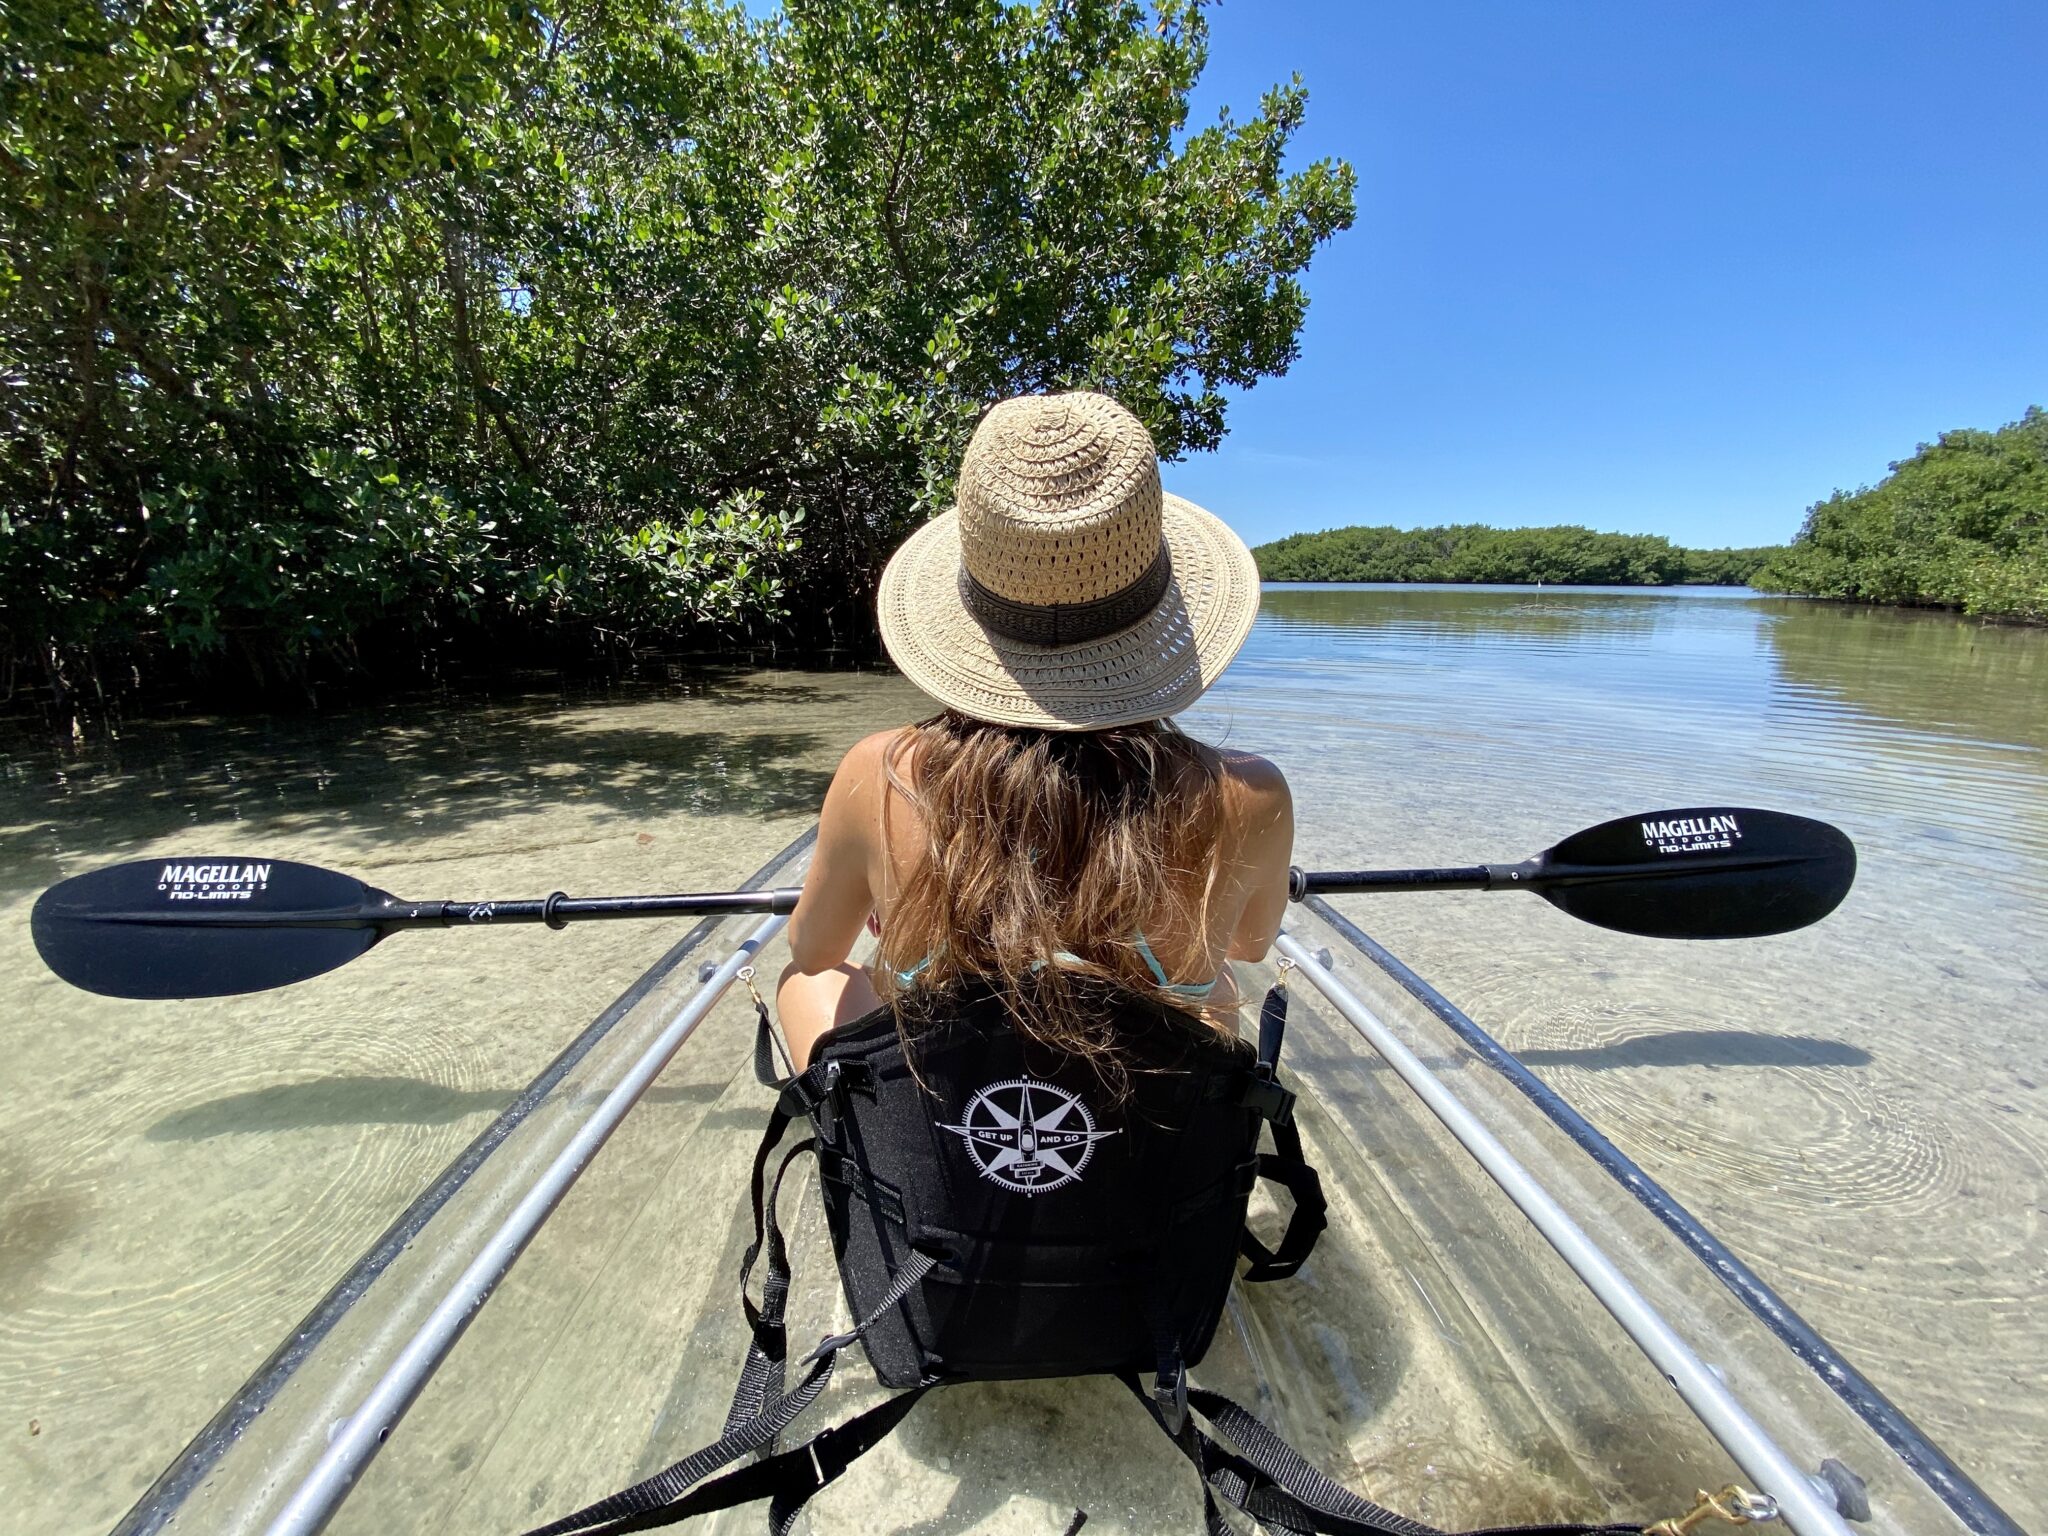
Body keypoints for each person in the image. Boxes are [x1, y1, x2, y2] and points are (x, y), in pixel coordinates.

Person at [777, 389, 1294, 1070]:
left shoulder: (882, 772)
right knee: (1217, 987)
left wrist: (892, 900)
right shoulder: (1251, 794)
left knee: (804, 982)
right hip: (1138, 1130)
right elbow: (1248, 945)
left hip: (949, 1122)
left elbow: (813, 948)